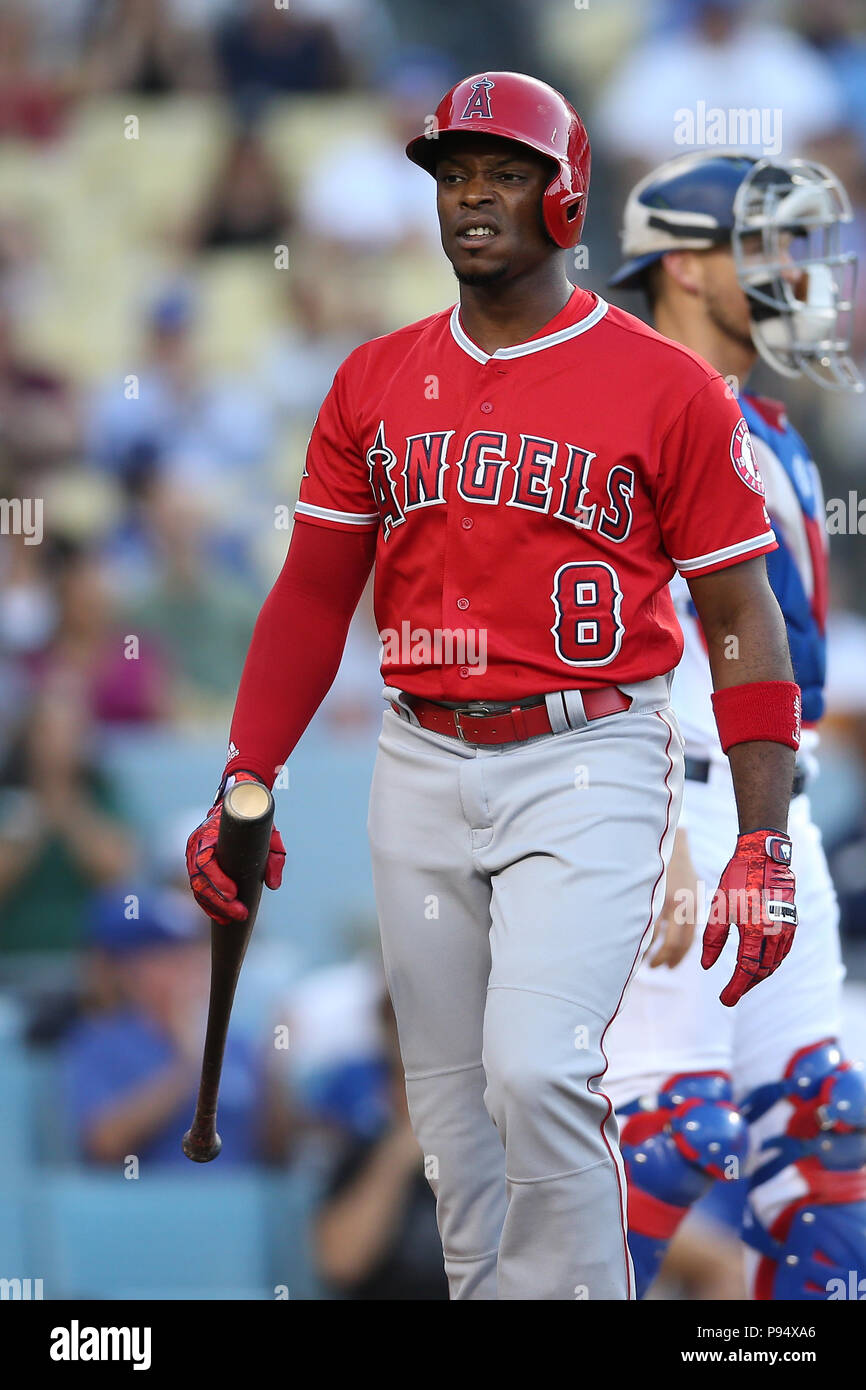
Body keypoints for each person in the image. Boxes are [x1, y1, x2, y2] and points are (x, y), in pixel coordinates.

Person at [186, 72, 800, 1301]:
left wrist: (761, 838)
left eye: (503, 172)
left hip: (587, 751)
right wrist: (246, 769)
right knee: (459, 1126)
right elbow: (312, 595)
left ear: (564, 197)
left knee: (536, 1068)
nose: (471, 195)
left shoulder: (663, 384)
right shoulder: (370, 378)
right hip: (417, 755)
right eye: (452, 173)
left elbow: (740, 613)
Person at [603, 150, 866, 1300]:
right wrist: (646, 817)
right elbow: (599, 628)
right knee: (667, 1137)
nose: (788, 275)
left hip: (777, 809)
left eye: (795, 249)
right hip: (672, 792)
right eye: (756, 247)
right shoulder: (622, 402)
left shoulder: (771, 423)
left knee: (824, 1143)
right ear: (674, 262)